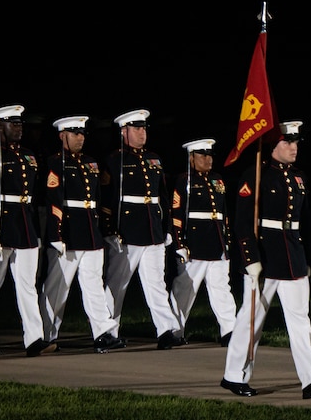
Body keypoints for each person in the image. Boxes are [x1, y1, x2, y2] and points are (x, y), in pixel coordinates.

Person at [221, 121, 311, 401]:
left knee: (300, 320)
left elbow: (304, 221)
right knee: (252, 320)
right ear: (273, 146)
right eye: (288, 142)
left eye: (296, 142)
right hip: (265, 257)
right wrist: (250, 258)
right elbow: (242, 223)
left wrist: (304, 257)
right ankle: (235, 375)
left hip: (292, 256)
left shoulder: (299, 178)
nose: (294, 147)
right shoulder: (256, 175)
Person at [38, 115, 126, 353]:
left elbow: (97, 198)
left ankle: (103, 333)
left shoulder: (90, 162)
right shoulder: (55, 163)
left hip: (90, 230)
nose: (80, 138)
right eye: (75, 133)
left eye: (82, 133)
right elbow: (54, 199)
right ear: (62, 136)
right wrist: (56, 234)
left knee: (94, 285)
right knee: (57, 288)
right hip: (68, 231)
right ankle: (46, 335)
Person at [98, 108, 185, 349]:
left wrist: (166, 227)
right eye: (137, 128)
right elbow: (106, 197)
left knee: (156, 283)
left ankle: (166, 330)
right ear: (124, 131)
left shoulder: (154, 159)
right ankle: (107, 331)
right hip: (127, 231)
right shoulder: (115, 160)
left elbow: (163, 197)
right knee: (117, 284)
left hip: (152, 230)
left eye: (144, 128)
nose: (142, 132)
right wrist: (109, 229)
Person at [0, 104, 56, 357]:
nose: (19, 128)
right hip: (2, 226)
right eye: (13, 124)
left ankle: (34, 339)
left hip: (25, 226)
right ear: (0, 127)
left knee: (27, 286)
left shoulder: (29, 156)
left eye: (20, 123)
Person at [169, 138, 237, 346]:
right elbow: (176, 213)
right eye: (203, 155)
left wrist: (226, 241)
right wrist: (180, 243)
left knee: (221, 290)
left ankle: (230, 331)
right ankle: (174, 331)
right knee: (185, 290)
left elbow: (223, 213)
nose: (208, 159)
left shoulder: (218, 180)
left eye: (210, 155)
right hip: (195, 245)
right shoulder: (184, 181)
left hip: (216, 244)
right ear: (192, 158)